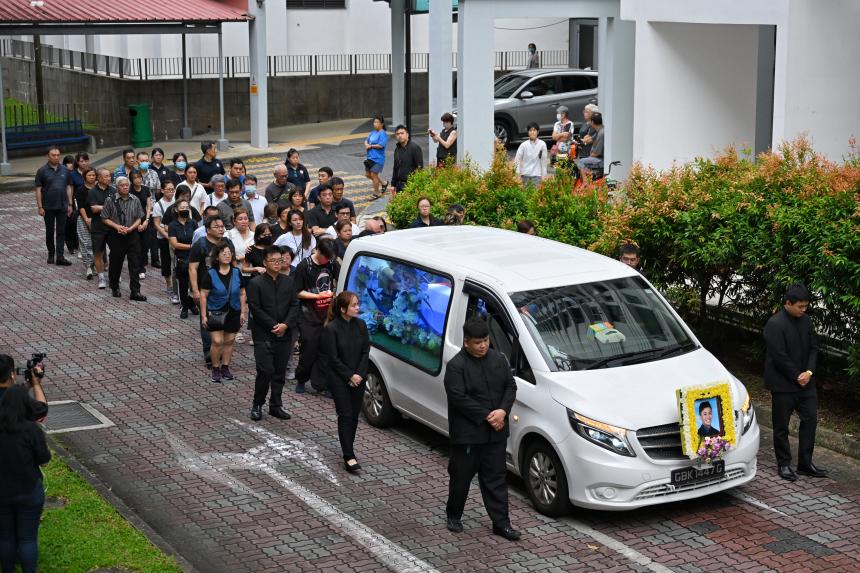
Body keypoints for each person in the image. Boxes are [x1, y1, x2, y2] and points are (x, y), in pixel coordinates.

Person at [444, 317, 519, 541]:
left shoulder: (498, 359)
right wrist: (488, 416)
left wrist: (503, 411)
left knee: (496, 479)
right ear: (466, 342)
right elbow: (458, 398)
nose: (483, 345)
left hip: (495, 435)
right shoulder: (456, 366)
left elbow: (510, 386)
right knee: (461, 478)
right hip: (469, 436)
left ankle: (501, 523)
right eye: (478, 342)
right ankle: (454, 514)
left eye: (486, 340)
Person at [764, 284, 826, 481]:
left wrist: (808, 372)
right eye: (800, 306)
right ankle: (784, 464)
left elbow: (814, 349)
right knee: (781, 425)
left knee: (810, 421)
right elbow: (778, 356)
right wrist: (797, 376)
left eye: (806, 306)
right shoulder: (775, 324)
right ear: (788, 303)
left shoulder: (806, 321)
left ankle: (805, 464)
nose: (803, 310)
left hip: (806, 383)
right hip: (783, 385)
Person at [0, 380, 51, 573]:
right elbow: (43, 459)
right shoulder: (31, 430)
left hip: (2, 492)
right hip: (28, 490)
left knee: (5, 536)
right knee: (28, 538)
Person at [246, 246, 301, 421]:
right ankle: (257, 403)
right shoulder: (256, 283)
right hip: (263, 334)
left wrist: (285, 325)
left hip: (285, 334)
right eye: (273, 261)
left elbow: (294, 305)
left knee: (279, 372)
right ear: (264, 263)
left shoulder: (289, 281)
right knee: (265, 370)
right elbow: (255, 308)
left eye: (280, 260)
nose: (277, 264)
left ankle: (276, 405)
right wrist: (274, 325)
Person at [320, 291, 370, 472]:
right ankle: (348, 455)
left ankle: (349, 446)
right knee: (345, 414)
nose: (358, 308)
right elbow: (333, 359)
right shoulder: (331, 329)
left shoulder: (361, 325)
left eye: (358, 304)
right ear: (343, 309)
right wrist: (350, 375)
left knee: (354, 415)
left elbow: (365, 352)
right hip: (339, 379)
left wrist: (359, 375)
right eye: (354, 305)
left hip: (359, 377)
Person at [293, 238, 340, 394]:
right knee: (308, 349)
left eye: (330, 257)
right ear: (317, 250)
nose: (328, 260)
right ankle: (301, 379)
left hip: (328, 315)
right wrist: (317, 296)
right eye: (325, 256)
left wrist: (333, 295)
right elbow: (297, 292)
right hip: (308, 315)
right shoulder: (304, 266)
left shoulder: (332, 263)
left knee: (327, 350)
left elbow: (339, 281)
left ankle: (322, 384)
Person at [189, 216, 235, 368]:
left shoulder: (227, 243)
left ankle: (220, 351)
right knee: (207, 321)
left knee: (225, 319)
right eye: (217, 226)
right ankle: (209, 354)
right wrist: (195, 290)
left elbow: (232, 265)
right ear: (208, 229)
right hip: (206, 290)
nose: (221, 229)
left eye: (222, 226)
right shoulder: (200, 244)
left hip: (225, 290)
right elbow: (193, 268)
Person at [200, 242, 246, 383]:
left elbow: (242, 293)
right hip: (215, 312)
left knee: (229, 341)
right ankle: (215, 367)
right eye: (223, 253)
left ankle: (225, 367)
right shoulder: (210, 274)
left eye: (229, 252)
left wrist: (243, 312)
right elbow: (203, 295)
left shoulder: (237, 272)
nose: (227, 255)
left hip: (234, 310)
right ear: (217, 257)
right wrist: (203, 315)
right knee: (217, 341)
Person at [101, 177, 147, 301]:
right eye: (122, 185)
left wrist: (132, 228)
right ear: (117, 187)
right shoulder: (110, 200)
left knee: (135, 263)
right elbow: (104, 218)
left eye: (127, 185)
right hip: (116, 235)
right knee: (116, 262)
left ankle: (135, 291)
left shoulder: (135, 199)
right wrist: (117, 226)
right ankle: (114, 286)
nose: (125, 187)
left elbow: (139, 217)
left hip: (132, 235)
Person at [34, 146, 74, 266]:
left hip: (62, 205)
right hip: (48, 206)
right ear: (48, 156)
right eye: (53, 155)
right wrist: (40, 207)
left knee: (61, 232)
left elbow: (68, 186)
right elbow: (38, 189)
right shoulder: (41, 171)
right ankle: (51, 253)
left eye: (58, 155)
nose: (56, 157)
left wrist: (70, 203)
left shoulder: (65, 170)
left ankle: (60, 256)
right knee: (50, 231)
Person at [168, 198, 198, 319]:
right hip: (181, 259)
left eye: (187, 208)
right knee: (183, 285)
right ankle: (185, 307)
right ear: (176, 210)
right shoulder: (172, 225)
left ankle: (191, 303)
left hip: (194, 259)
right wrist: (191, 246)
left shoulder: (193, 223)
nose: (185, 210)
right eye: (182, 208)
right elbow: (175, 244)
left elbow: (198, 238)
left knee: (196, 284)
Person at [88, 168, 114, 289]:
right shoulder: (92, 192)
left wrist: (102, 207)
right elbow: (94, 208)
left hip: (112, 226)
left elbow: (117, 207)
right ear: (99, 178)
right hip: (98, 227)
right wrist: (108, 207)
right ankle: (101, 277)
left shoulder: (114, 190)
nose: (109, 178)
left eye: (109, 176)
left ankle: (114, 275)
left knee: (115, 252)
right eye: (106, 176)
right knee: (98, 253)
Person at [152, 180, 177, 302]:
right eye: (168, 189)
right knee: (166, 261)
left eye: (173, 189)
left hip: (177, 237)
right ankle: (169, 285)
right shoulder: (158, 205)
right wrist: (167, 236)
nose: (171, 192)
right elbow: (156, 224)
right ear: (162, 190)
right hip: (164, 237)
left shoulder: (177, 202)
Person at [128, 169, 155, 279]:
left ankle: (142, 264)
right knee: (136, 246)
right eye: (135, 178)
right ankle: (138, 268)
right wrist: (137, 223)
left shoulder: (145, 189)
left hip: (145, 220)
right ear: (131, 180)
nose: (138, 179)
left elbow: (148, 206)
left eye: (139, 177)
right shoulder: (129, 190)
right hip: (133, 221)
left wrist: (147, 220)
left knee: (145, 245)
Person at [74, 166, 97, 280]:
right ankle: (88, 267)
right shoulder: (80, 190)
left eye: (93, 175)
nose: (92, 177)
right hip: (84, 219)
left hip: (98, 219)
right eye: (89, 175)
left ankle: (97, 264)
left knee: (97, 243)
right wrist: (86, 219)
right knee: (85, 243)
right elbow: (81, 207)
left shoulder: (98, 188)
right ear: (84, 177)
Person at [391, 124, 424, 194]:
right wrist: (393, 184)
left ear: (407, 135)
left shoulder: (415, 148)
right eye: (397, 134)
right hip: (399, 185)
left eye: (402, 133)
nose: (400, 136)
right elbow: (395, 168)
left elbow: (420, 168)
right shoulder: (397, 150)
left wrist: (416, 185)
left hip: (411, 185)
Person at [515, 122, 548, 189]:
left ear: (538, 132)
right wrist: (517, 174)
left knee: (535, 196)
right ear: (528, 132)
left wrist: (544, 176)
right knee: (525, 195)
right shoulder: (523, 145)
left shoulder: (542, 144)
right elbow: (517, 159)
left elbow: (544, 161)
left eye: (534, 130)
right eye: (530, 130)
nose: (532, 132)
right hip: (525, 175)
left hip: (537, 175)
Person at [364, 116, 389, 197]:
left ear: (382, 124)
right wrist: (366, 144)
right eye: (374, 122)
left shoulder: (383, 133)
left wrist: (370, 146)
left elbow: (381, 145)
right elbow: (366, 140)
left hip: (378, 159)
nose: (375, 124)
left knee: (374, 175)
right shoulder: (372, 132)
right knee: (368, 175)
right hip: (369, 158)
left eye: (377, 122)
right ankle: (384, 183)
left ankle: (376, 192)